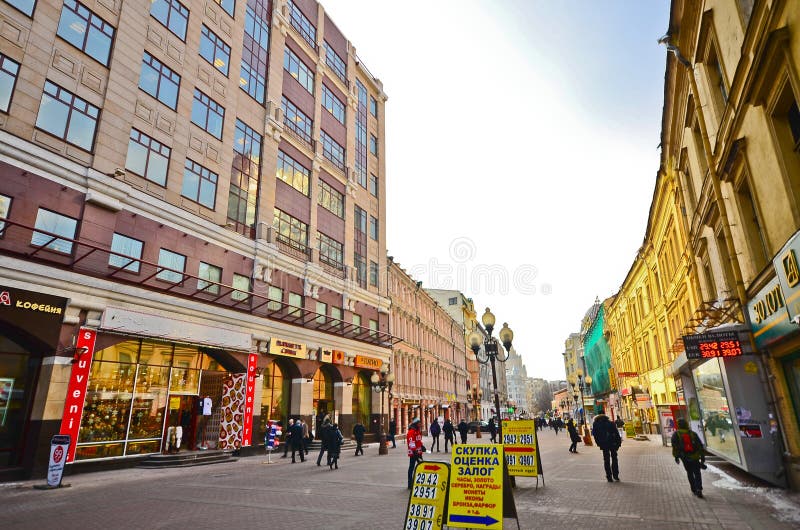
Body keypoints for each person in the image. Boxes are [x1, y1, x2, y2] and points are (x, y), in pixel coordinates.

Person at [672, 418, 707, 498]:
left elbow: (675, 447)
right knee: (697, 473)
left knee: (690, 472)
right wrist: (702, 457)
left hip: (685, 457)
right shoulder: (693, 433)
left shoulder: (676, 434)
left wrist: (676, 457)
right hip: (695, 456)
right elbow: (700, 445)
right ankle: (699, 489)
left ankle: (694, 489)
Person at [592, 413, 622, 482]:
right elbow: (616, 433)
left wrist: (599, 443)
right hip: (612, 443)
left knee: (606, 460)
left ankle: (609, 477)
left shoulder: (596, 424)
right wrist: (618, 443)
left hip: (604, 444)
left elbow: (595, 435)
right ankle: (616, 475)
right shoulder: (611, 423)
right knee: (614, 458)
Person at [406, 417, 424, 489]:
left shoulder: (417, 430)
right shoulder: (411, 432)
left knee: (422, 467)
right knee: (411, 468)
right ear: (416, 424)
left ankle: (420, 481)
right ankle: (410, 484)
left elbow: (418, 440)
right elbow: (411, 442)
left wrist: (422, 446)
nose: (420, 424)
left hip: (418, 452)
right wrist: (414, 452)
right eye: (419, 423)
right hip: (414, 453)